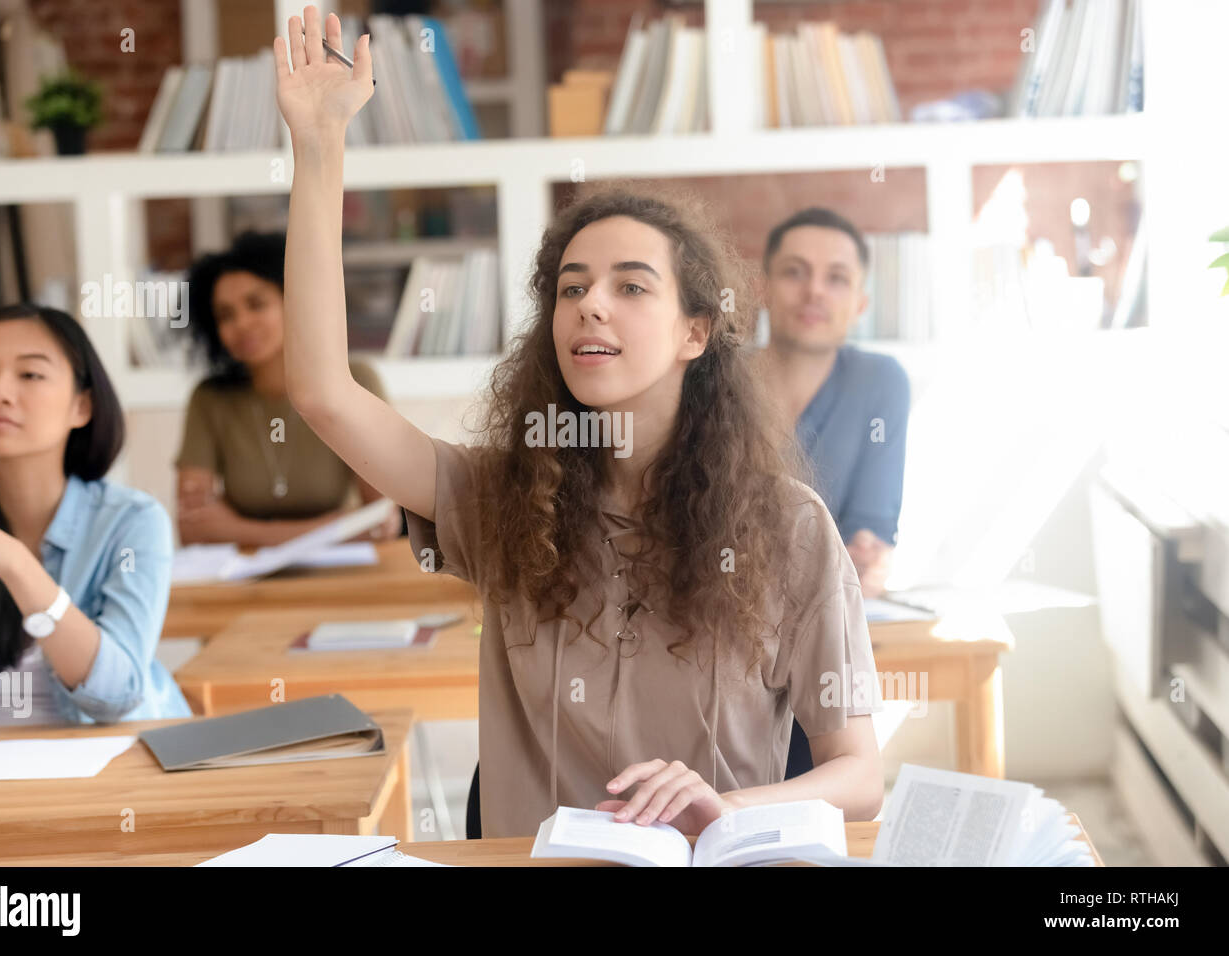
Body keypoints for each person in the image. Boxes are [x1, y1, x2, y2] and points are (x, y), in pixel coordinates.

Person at [271, 6, 884, 838]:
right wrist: (320, 148)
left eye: (631, 287)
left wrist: (724, 807)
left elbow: (859, 775)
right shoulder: (501, 499)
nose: (590, 304)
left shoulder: (792, 530)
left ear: (694, 332)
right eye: (571, 287)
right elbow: (321, 391)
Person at [0, 304, 190, 725]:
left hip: (110, 780)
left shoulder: (132, 522)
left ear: (82, 406)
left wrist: (13, 562)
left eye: (30, 374)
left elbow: (115, 695)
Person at [175, 230, 402, 547]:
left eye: (256, 304)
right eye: (226, 315)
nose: (241, 323)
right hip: (244, 580)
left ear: (293, 301)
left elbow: (381, 520)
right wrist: (334, 528)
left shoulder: (354, 381)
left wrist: (235, 529)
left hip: (340, 577)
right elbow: (194, 528)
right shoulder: (209, 398)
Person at [755, 207, 911, 599]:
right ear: (763, 288)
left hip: (828, 615)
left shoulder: (881, 382)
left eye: (837, 278)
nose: (815, 291)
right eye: (794, 272)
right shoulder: (712, 380)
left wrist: (868, 555)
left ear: (861, 303)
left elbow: (871, 532)